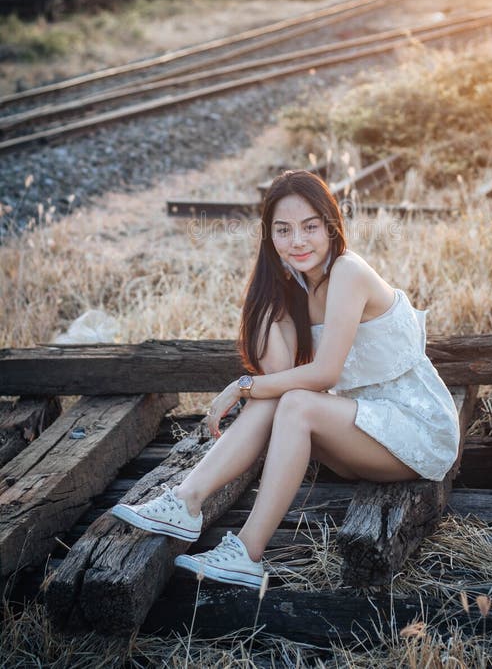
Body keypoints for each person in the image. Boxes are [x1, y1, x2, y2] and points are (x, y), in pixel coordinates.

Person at [111, 169, 461, 589]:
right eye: (283, 230)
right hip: (362, 432)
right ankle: (186, 501)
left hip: (416, 431)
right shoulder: (297, 285)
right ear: (269, 237)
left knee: (292, 401)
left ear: (331, 226)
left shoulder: (348, 272)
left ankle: (247, 553)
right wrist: (270, 293)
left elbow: (323, 374)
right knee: (280, 397)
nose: (298, 241)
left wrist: (242, 386)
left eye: (310, 227)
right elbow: (279, 375)